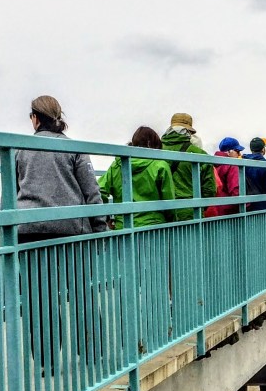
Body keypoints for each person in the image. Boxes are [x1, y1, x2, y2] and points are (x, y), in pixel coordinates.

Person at [16, 95, 107, 375]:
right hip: (71, 232)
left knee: (38, 298)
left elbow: (11, 191)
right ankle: (92, 353)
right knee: (82, 293)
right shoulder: (74, 149)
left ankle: (46, 362)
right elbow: (91, 192)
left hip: (30, 230)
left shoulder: (21, 149)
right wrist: (100, 227)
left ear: (34, 118)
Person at [99, 126, 176, 228]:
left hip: (123, 228)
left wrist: (106, 217)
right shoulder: (160, 165)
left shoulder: (117, 165)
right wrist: (172, 221)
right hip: (154, 229)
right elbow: (169, 201)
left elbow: (99, 191)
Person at [161, 112, 217, 221]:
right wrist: (199, 206)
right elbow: (209, 189)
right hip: (190, 211)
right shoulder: (199, 154)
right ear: (189, 131)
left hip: (162, 211)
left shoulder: (155, 150)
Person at [205, 136, 244, 218]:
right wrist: (247, 205)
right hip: (229, 213)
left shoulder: (211, 164)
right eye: (237, 151)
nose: (239, 154)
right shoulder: (232, 166)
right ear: (229, 152)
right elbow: (236, 192)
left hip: (213, 210)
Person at [242, 136, 266, 211]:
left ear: (251, 149)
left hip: (246, 205)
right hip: (263, 206)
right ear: (263, 149)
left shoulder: (243, 162)